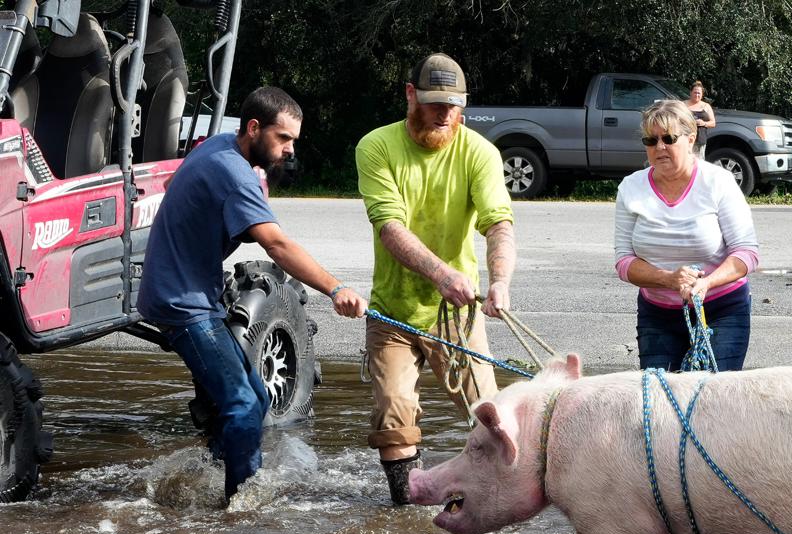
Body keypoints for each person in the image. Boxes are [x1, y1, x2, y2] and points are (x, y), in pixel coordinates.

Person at [138, 87, 368, 501]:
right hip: (181, 302)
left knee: (257, 397)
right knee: (243, 405)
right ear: (254, 128)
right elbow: (276, 245)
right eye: (284, 138)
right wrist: (336, 288)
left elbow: (176, 183)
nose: (290, 149)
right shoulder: (234, 171)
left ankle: (209, 476)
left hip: (190, 291)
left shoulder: (218, 147)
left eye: (294, 140)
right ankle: (240, 509)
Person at [355, 53, 516, 505]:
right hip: (393, 311)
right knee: (393, 419)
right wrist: (442, 273)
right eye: (435, 104)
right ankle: (405, 511)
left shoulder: (480, 152)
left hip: (458, 315)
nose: (446, 114)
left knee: (491, 420)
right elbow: (389, 227)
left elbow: (498, 224)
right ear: (411, 95)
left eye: (454, 105)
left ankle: (490, 507)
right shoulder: (376, 146)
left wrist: (500, 281)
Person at [614, 99, 759, 372]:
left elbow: (746, 253)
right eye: (651, 140)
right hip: (657, 315)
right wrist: (668, 279)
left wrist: (707, 283)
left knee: (714, 395)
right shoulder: (630, 188)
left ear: (691, 138)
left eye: (668, 138)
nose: (659, 147)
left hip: (721, 310)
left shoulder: (718, 181)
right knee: (659, 395)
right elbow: (623, 262)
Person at [685, 80, 716, 160]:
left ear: (702, 94)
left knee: (699, 162)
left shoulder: (706, 106)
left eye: (699, 93)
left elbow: (713, 123)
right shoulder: (683, 104)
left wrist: (703, 123)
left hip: (700, 140)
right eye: (695, 92)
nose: (697, 95)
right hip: (685, 139)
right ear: (691, 92)